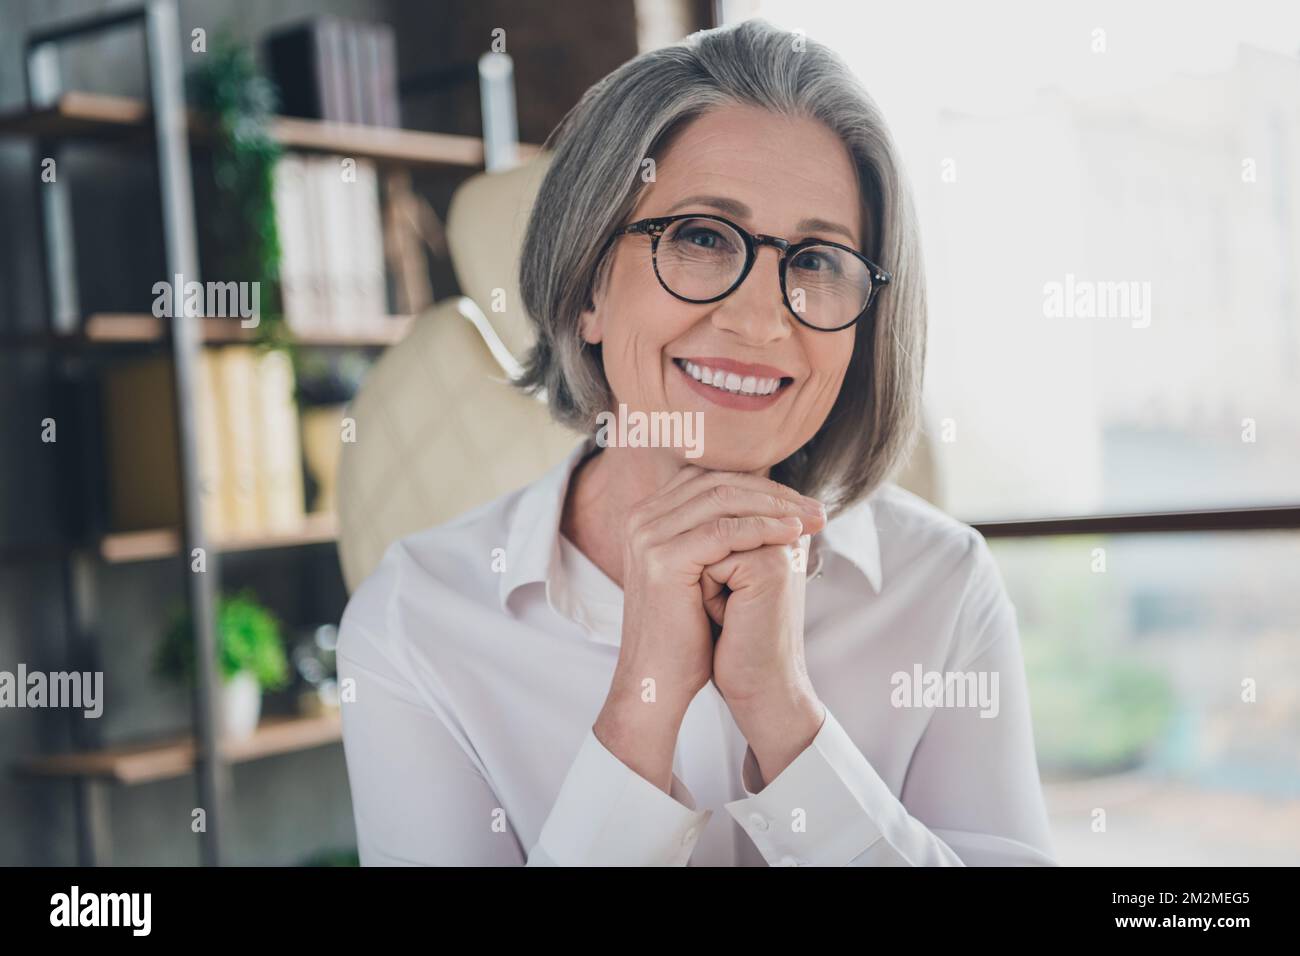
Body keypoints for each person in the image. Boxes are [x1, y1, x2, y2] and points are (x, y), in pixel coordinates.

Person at [336, 17, 1056, 866]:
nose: (759, 320)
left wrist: (787, 720)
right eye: (704, 238)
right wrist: (639, 712)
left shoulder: (942, 585)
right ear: (588, 288)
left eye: (820, 260)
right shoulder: (414, 622)